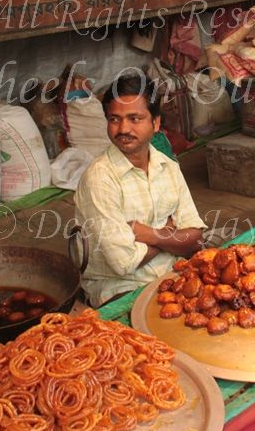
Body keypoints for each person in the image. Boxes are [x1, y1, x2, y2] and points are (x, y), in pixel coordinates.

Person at [73, 73, 207, 306]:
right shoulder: (100, 179)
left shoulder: (168, 166)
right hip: (120, 288)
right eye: (114, 119)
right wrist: (169, 234)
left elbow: (194, 239)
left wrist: (149, 235)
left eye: (134, 118)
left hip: (172, 273)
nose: (123, 128)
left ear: (155, 123)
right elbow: (123, 262)